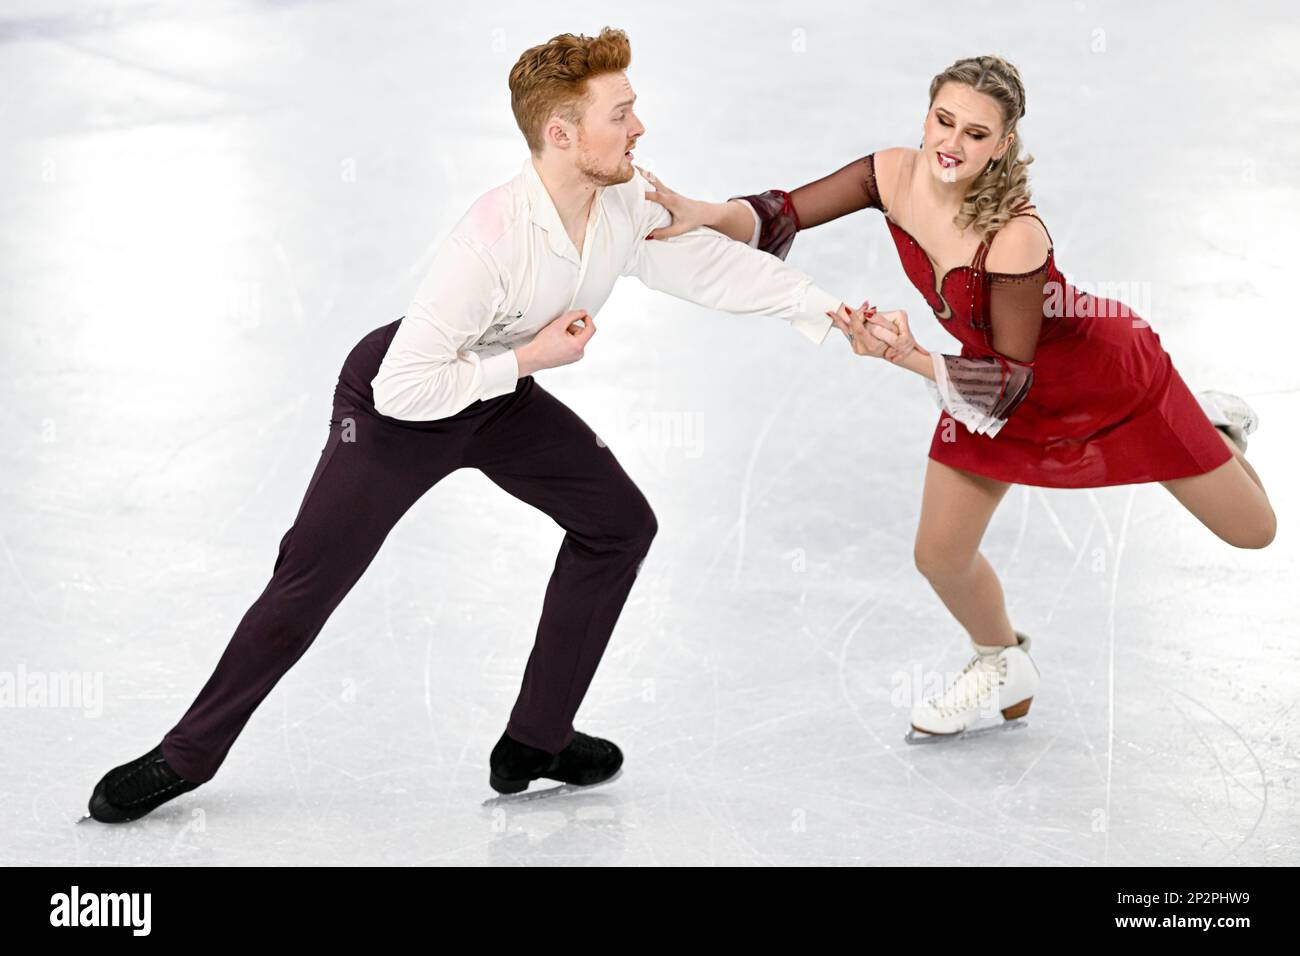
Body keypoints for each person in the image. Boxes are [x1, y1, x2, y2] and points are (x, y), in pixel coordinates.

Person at [85, 27, 872, 822]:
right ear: (561, 135)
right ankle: (183, 756)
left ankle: (538, 737)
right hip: (399, 408)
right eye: (622, 113)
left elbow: (702, 264)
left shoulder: (625, 198)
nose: (640, 127)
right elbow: (405, 389)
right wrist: (526, 361)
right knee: (309, 580)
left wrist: (827, 310)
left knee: (619, 524)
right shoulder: (488, 238)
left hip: (497, 398)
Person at [642, 54, 1276, 740]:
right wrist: (703, 212)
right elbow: (782, 213)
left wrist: (902, 352)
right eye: (943, 121)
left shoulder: (1014, 236)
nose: (952, 143)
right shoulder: (890, 173)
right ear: (926, 115)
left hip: (1095, 379)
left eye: (976, 134)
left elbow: (1010, 381)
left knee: (1253, 531)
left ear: (1002, 146)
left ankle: (1203, 423)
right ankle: (1002, 661)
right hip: (985, 382)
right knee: (938, 555)